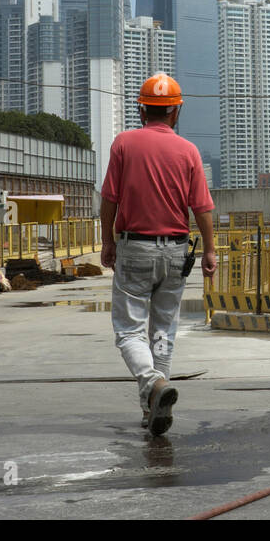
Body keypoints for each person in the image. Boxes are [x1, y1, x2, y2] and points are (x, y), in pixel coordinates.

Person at [100, 73, 217, 436]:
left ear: (141, 110)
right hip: (176, 250)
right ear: (176, 112)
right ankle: (152, 407)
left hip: (135, 248)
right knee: (163, 330)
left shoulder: (123, 143)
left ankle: (153, 385)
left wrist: (107, 242)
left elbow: (109, 200)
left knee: (129, 332)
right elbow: (201, 207)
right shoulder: (188, 151)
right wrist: (211, 250)